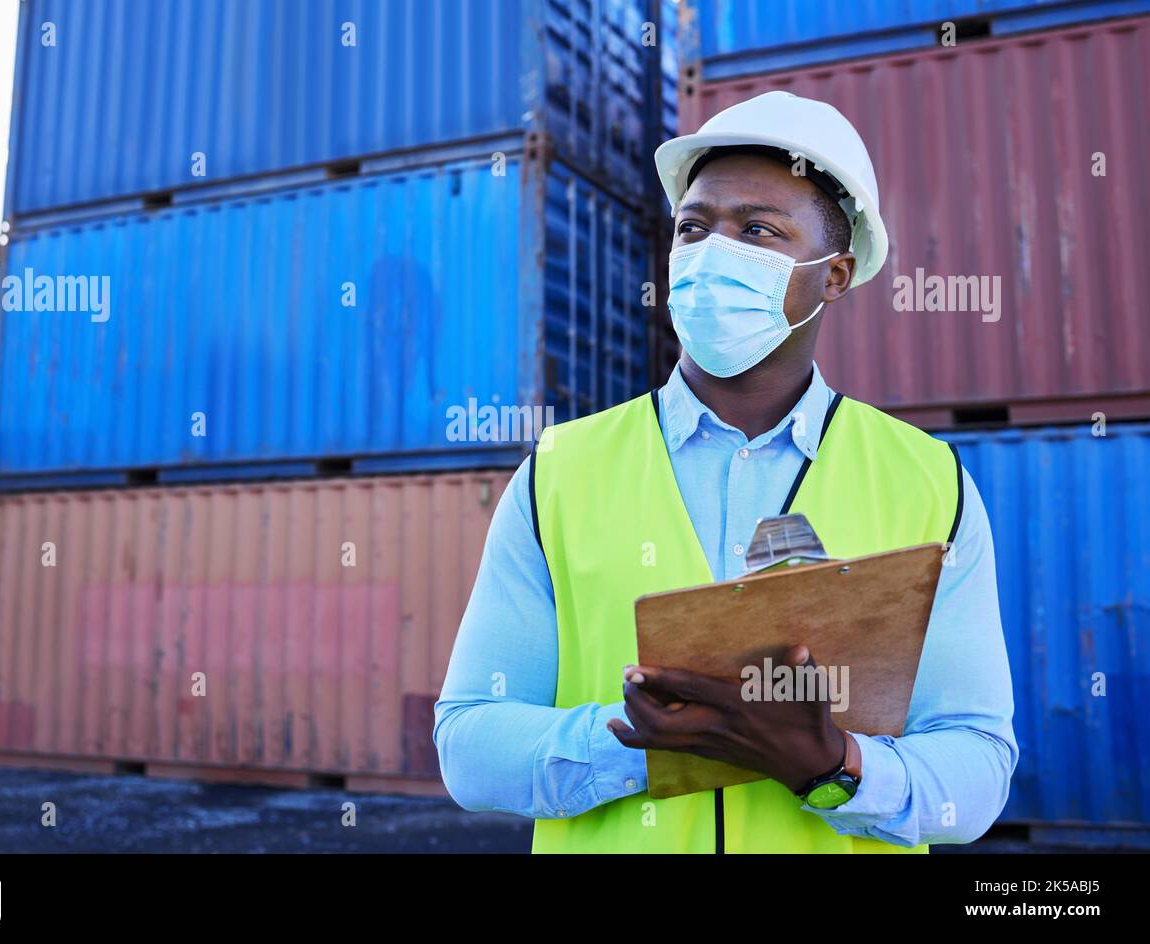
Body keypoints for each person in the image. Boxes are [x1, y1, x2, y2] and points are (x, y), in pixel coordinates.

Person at [434, 91, 1017, 853]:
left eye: (757, 230)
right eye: (694, 227)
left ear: (834, 275)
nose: (713, 251)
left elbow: (975, 768)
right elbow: (470, 744)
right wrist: (644, 742)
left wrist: (833, 765)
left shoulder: (930, 482)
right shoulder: (557, 472)